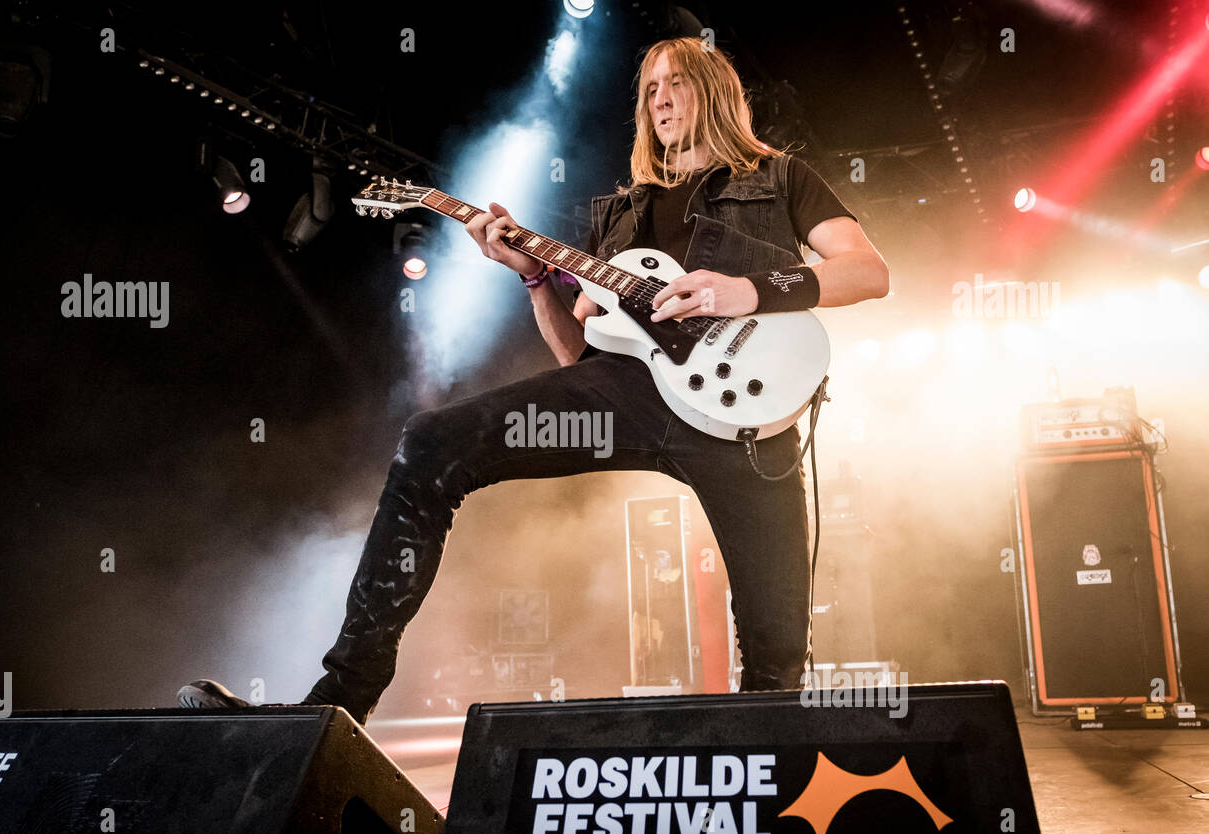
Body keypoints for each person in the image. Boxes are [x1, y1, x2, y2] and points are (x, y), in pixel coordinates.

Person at [178, 36, 889, 722]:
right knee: (429, 444)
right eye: (649, 89)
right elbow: (581, 358)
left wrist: (748, 290)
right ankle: (338, 700)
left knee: (777, 651)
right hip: (631, 395)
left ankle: (758, 803)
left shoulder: (780, 178)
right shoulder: (619, 215)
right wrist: (534, 278)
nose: (661, 99)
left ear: (716, 91)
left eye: (677, 81)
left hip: (752, 423)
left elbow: (867, 271)